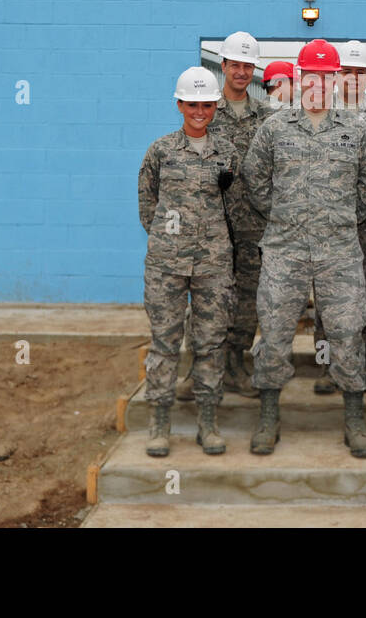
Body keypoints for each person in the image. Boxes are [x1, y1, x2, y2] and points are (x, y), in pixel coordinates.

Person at [241, 39, 366, 457]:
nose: (319, 83)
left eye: (327, 75)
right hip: (284, 250)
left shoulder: (356, 130)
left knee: (346, 334)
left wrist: (340, 217)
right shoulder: (275, 128)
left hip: (339, 251)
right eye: (311, 76)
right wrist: (284, 215)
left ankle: (354, 421)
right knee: (274, 333)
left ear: (338, 79)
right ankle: (269, 417)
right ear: (300, 78)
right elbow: (255, 179)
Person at [136, 67, 240, 458]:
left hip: (213, 264)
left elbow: (234, 205)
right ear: (179, 104)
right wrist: (168, 240)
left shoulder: (227, 152)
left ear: (215, 106)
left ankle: (207, 424)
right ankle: (159, 425)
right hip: (167, 265)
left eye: (207, 105)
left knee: (210, 344)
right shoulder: (160, 151)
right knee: (165, 343)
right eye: (192, 104)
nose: (200, 111)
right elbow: (148, 204)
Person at [205, 32, 273, 399]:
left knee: (248, 296)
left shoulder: (267, 117)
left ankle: (235, 364)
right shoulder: (206, 109)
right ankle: (203, 368)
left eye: (249, 66)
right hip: (212, 224)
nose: (242, 72)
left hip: (253, 224)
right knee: (208, 296)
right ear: (224, 65)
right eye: (236, 65)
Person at [313, 40, 366, 395]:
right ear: (338, 77)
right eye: (348, 73)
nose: (353, 78)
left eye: (360, 72)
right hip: (328, 220)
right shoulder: (322, 114)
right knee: (326, 292)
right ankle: (326, 363)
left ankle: (364, 360)